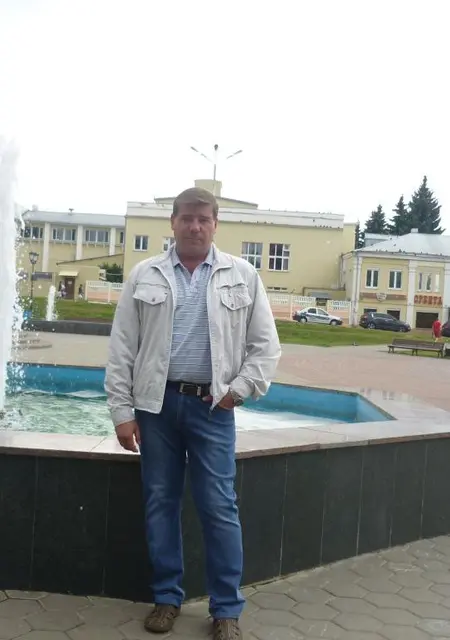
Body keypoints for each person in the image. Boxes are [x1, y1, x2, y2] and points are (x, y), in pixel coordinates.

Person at [105, 187, 281, 640]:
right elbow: (122, 347)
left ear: (216, 223)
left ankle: (226, 610)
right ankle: (167, 599)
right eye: (187, 218)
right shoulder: (145, 274)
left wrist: (237, 392)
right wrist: (122, 411)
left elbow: (265, 346)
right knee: (160, 502)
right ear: (173, 222)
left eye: (204, 219)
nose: (195, 226)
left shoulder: (242, 276)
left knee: (219, 507)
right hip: (156, 408)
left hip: (213, 408)